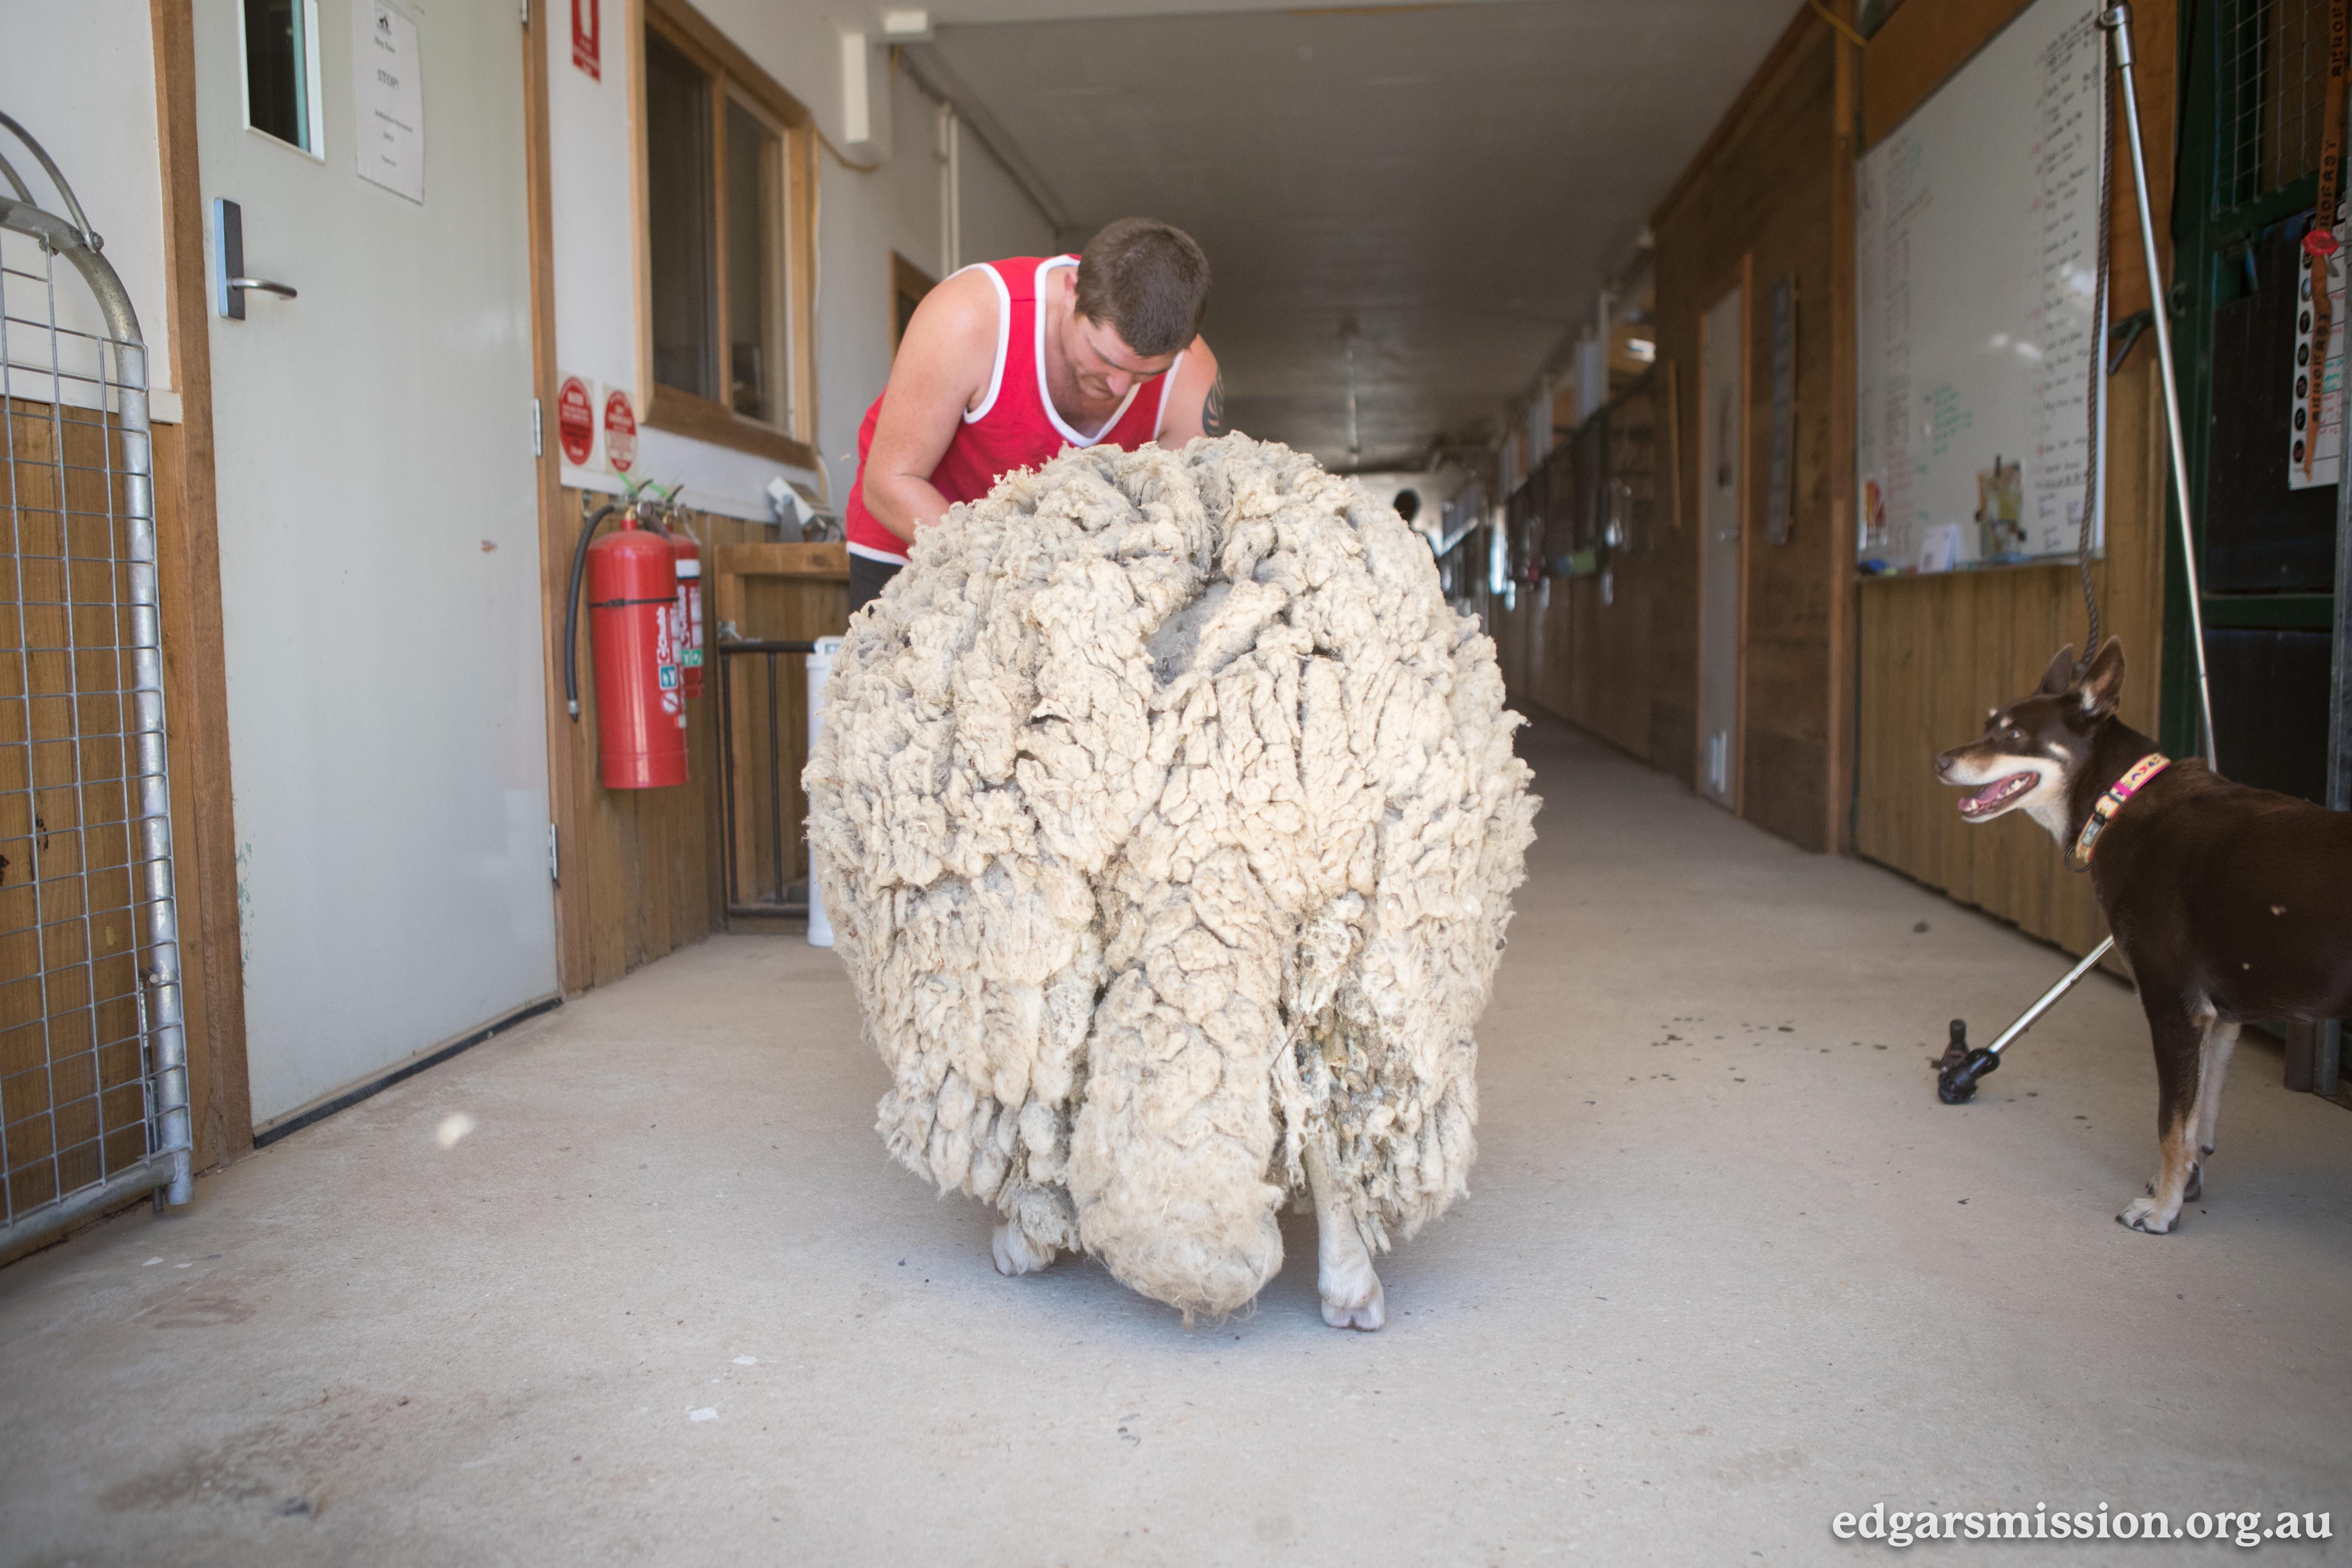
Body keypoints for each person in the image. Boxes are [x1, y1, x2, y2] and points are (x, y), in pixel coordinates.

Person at [843, 217, 1225, 613]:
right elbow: (891, 482)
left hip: (1064, 565)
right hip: (917, 528)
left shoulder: (1191, 379)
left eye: (1146, 375)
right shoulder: (970, 317)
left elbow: (1175, 523)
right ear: (1071, 293)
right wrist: (1014, 566)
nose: (1118, 387)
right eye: (1104, 359)